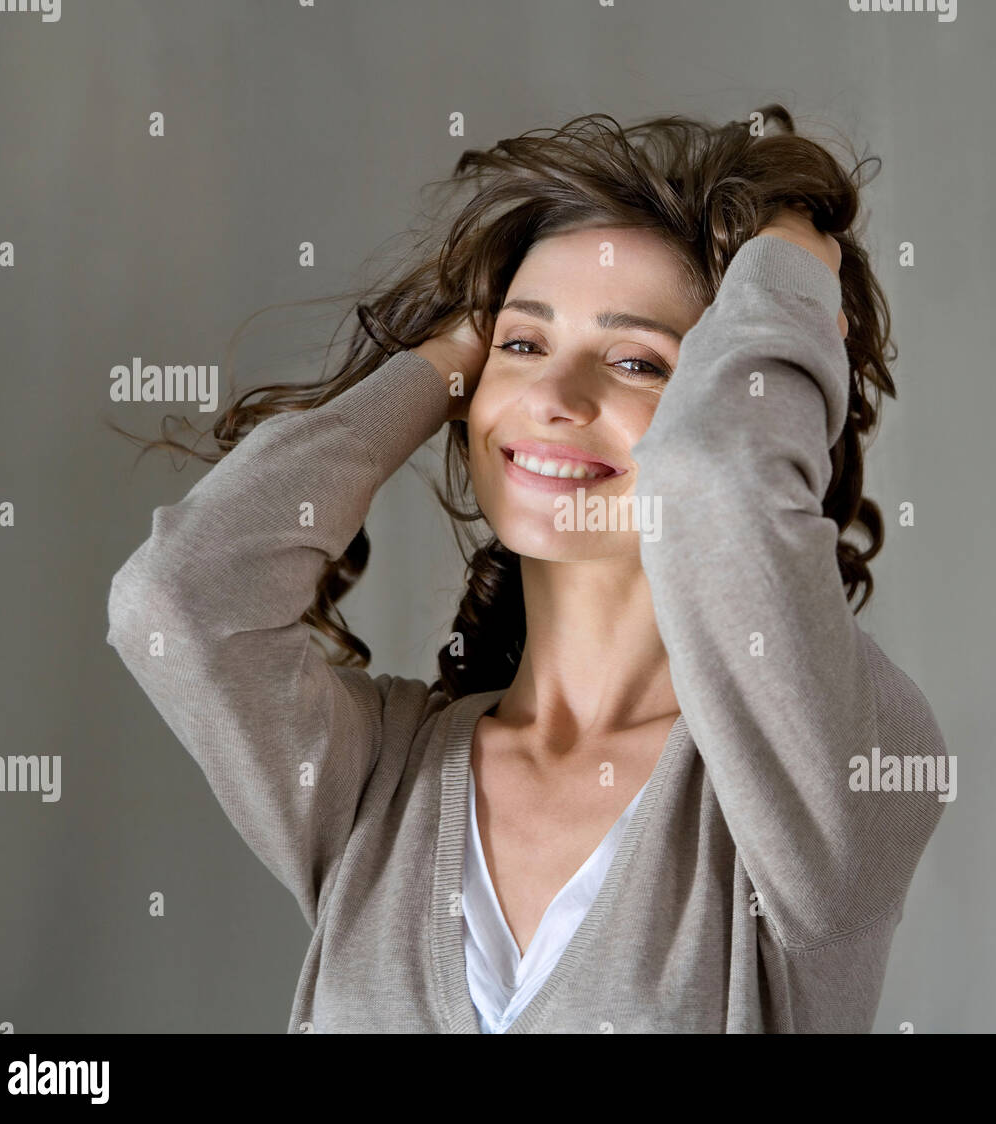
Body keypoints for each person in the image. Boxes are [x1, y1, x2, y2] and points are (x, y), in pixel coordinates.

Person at [106, 104, 950, 1033]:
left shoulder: (835, 783)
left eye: (637, 362)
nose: (552, 395)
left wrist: (792, 245)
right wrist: (442, 358)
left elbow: (719, 486)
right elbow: (177, 601)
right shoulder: (377, 780)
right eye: (521, 345)